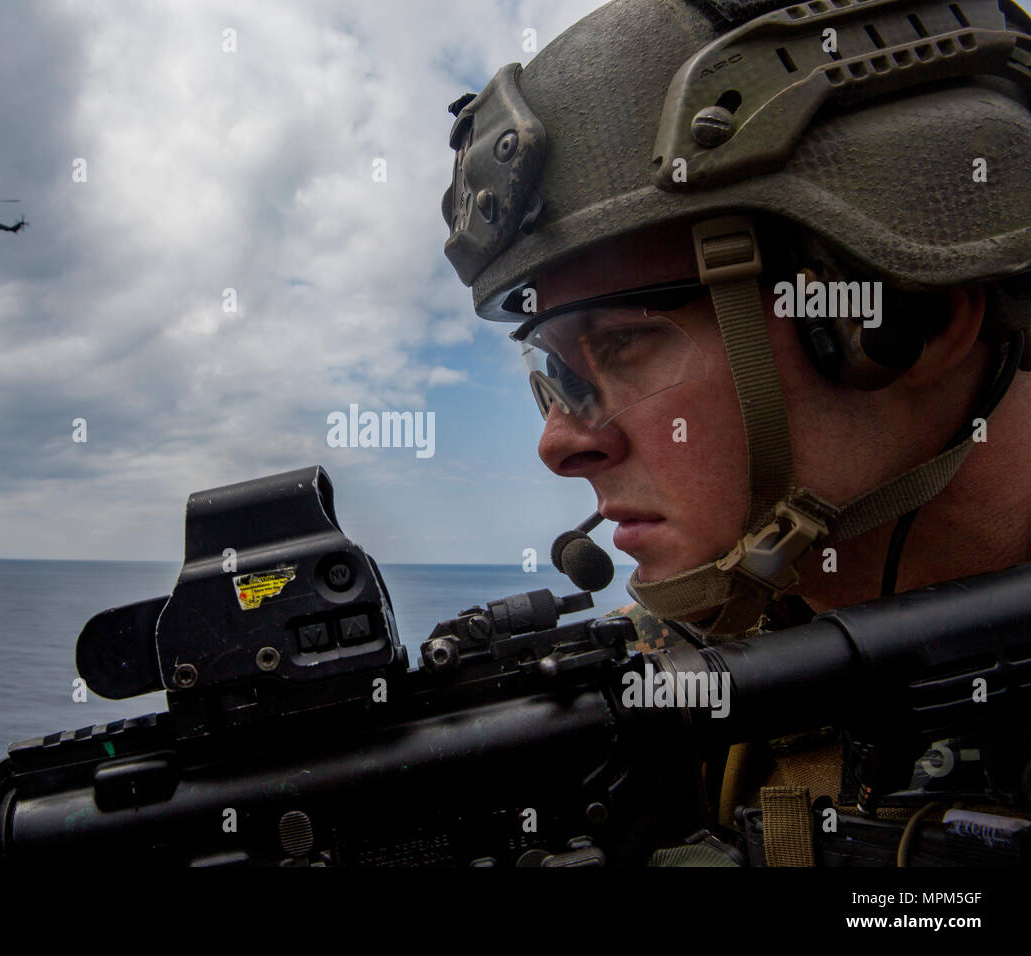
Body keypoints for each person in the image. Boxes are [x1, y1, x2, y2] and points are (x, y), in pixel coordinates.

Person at [441, 0, 1031, 864]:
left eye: (623, 342)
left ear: (903, 317)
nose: (561, 444)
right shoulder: (714, 672)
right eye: (556, 374)